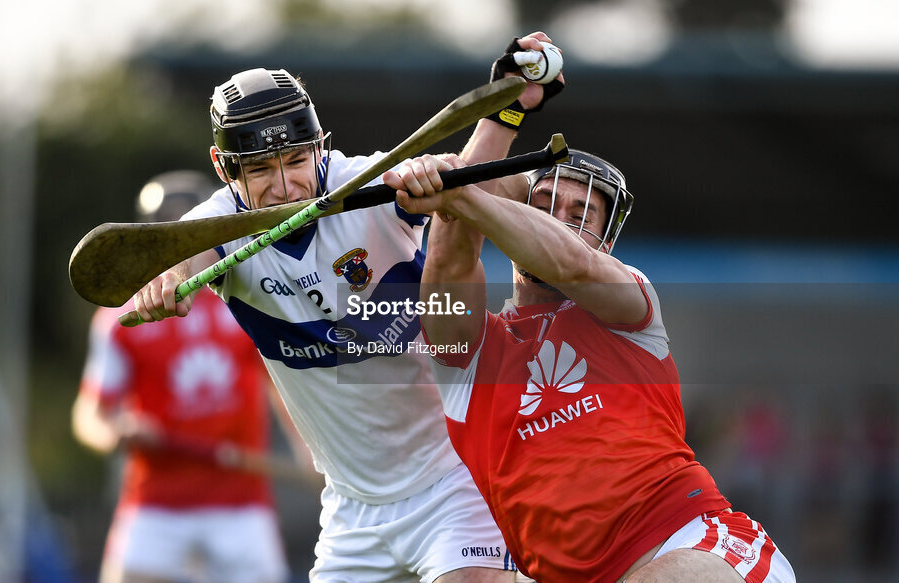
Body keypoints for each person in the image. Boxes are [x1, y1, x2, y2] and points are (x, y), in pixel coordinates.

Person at [129, 33, 565, 583]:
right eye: (260, 169)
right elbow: (185, 256)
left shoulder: (372, 185)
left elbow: (484, 184)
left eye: (294, 160)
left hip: (454, 477)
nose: (284, 186)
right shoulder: (218, 227)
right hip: (351, 509)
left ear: (320, 146)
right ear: (223, 167)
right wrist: (168, 281)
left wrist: (502, 114)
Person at [381, 143, 798, 579]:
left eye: (581, 215)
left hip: (691, 543)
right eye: (543, 206)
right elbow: (449, 259)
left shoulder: (631, 303)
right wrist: (449, 185)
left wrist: (459, 190)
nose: (559, 221)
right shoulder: (464, 356)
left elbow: (571, 263)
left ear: (608, 239)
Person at [74, 170, 309, 583]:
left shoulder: (248, 299)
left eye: (189, 234)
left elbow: (284, 388)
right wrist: (114, 432)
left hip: (242, 504)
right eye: (168, 237)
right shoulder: (120, 319)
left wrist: (311, 454)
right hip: (155, 505)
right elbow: (90, 415)